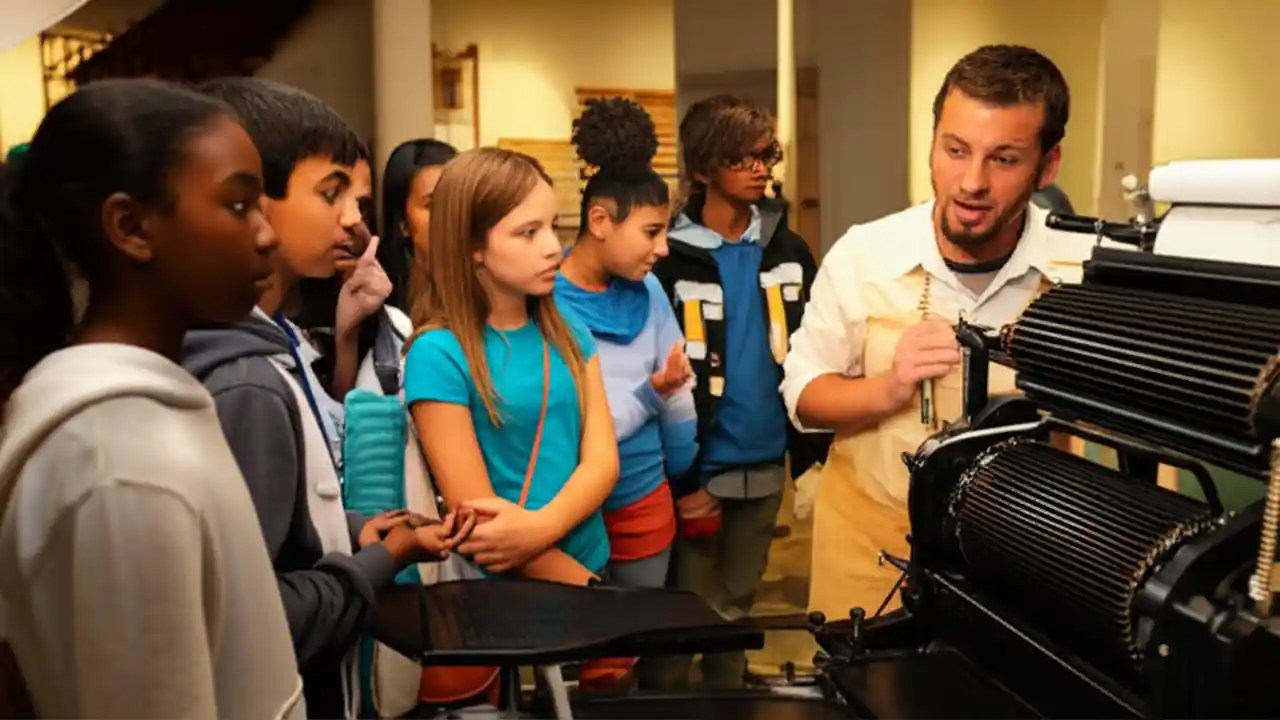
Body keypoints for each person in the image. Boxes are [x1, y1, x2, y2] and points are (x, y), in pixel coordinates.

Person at [0, 78, 303, 718]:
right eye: (239, 205)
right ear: (131, 226)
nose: (268, 235)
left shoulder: (150, 414)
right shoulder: (120, 462)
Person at [180, 77, 470, 719]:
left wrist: (352, 538)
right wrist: (377, 559)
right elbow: (251, 612)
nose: (352, 221)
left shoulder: (276, 339)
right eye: (331, 193)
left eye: (357, 198)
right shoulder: (246, 383)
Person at [781, 44, 1093, 621]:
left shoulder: (1080, 272)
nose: (970, 181)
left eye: (1003, 159)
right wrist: (887, 389)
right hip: (867, 559)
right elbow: (803, 401)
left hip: (1019, 565)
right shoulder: (865, 255)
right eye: (955, 150)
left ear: (1047, 166)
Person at [650, 94, 829, 690]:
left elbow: (810, 351)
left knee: (739, 601)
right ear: (702, 169)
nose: (760, 170)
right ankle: (666, 701)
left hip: (766, 457)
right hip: (696, 465)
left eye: (765, 157)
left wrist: (808, 458)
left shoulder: (788, 248)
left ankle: (727, 698)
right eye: (742, 159)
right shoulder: (667, 259)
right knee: (683, 610)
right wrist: (685, 481)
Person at [404, 147, 618, 586]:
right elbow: (477, 520)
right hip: (518, 588)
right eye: (527, 233)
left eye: (552, 227)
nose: (552, 248)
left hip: (589, 562)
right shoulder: (438, 353)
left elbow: (602, 461)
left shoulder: (568, 330)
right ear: (472, 246)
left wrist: (542, 530)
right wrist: (588, 591)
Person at [554, 98, 699, 691]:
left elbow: (679, 395)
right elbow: (574, 430)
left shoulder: (651, 291)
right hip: (568, 509)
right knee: (569, 650)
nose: (663, 248)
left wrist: (685, 477)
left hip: (646, 498)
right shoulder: (548, 305)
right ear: (599, 222)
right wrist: (650, 396)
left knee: (627, 654)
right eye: (652, 232)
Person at [381, 138, 459, 311]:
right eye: (431, 205)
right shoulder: (384, 310)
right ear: (403, 224)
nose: (448, 214)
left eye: (455, 200)